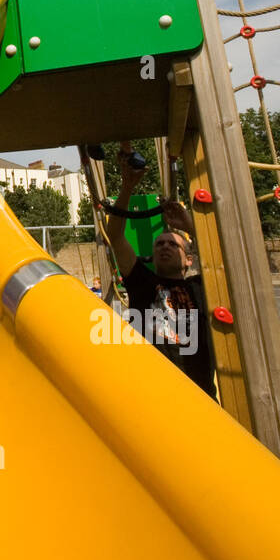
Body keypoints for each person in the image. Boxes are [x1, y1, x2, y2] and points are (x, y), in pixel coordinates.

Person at [104, 152, 218, 400]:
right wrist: (126, 188)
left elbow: (221, 255)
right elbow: (115, 236)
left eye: (173, 245)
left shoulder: (202, 287)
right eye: (159, 245)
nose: (165, 246)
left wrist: (189, 226)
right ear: (153, 257)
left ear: (189, 260)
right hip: (155, 395)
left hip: (200, 395)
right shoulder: (142, 282)